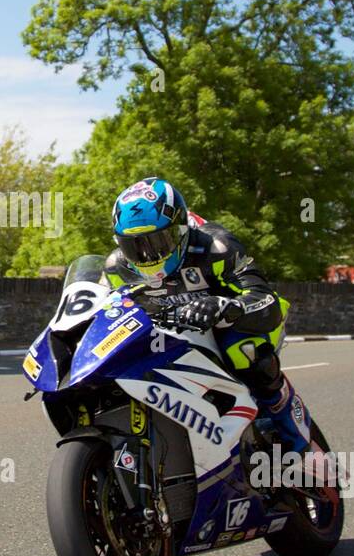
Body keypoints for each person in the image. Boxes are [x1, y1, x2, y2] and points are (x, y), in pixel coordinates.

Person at [104, 177, 311, 456]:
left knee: (247, 353)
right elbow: (103, 309)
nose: (147, 254)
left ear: (179, 230)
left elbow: (265, 300)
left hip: (231, 324)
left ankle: (298, 445)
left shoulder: (216, 247)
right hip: (167, 337)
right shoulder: (116, 268)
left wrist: (227, 308)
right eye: (135, 246)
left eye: (158, 241)